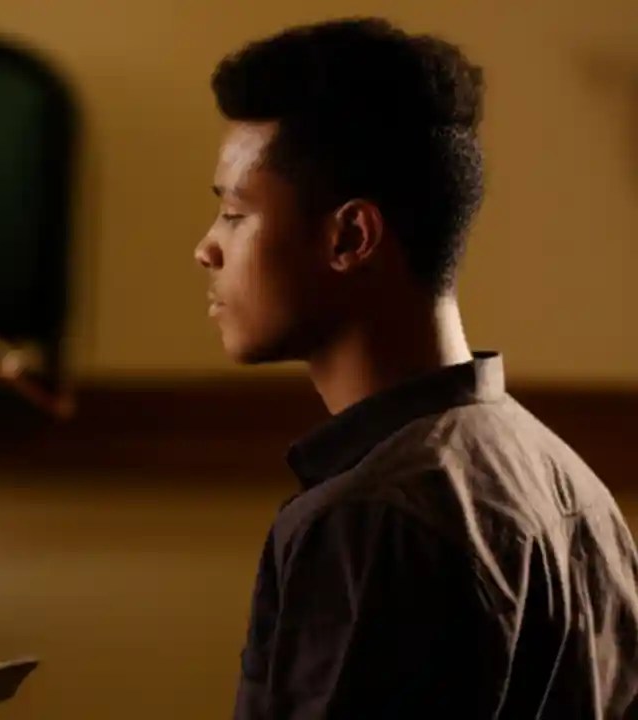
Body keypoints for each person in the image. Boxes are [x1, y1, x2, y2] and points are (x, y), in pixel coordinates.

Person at [195, 17, 638, 719]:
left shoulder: (373, 519)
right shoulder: (571, 481)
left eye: (233, 213)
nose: (206, 249)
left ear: (350, 236)